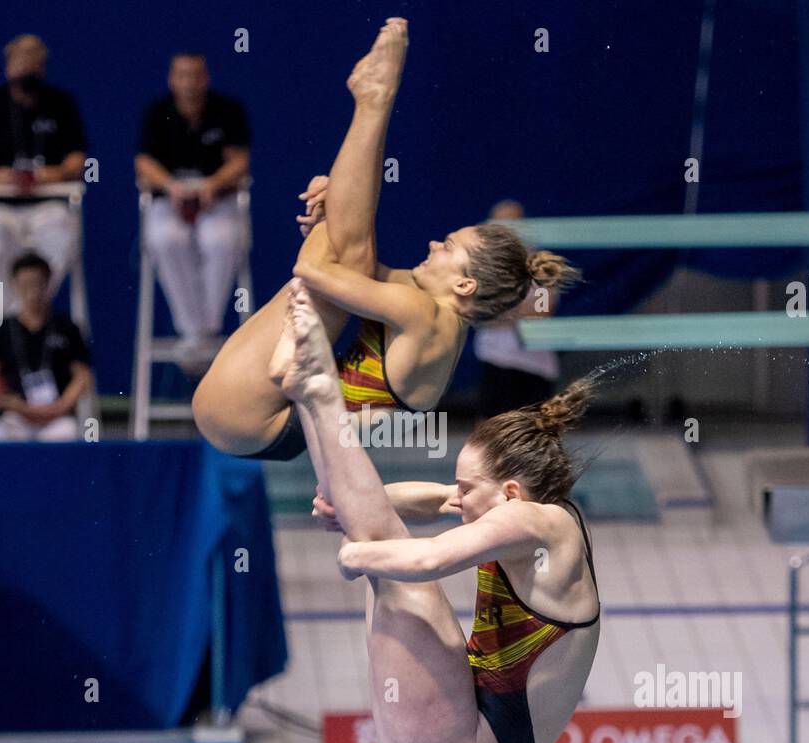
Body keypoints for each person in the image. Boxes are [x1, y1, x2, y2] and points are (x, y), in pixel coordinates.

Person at [274, 278, 601, 743]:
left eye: (469, 490)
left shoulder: (541, 526)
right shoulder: (532, 516)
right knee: (371, 522)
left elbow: (429, 561)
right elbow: (433, 499)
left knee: (390, 557)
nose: (459, 497)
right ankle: (310, 396)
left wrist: (356, 555)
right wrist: (351, 509)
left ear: (513, 493)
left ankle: (319, 391)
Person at [192, 18, 581, 461]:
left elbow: (313, 272)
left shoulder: (421, 313)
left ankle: (375, 101)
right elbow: (353, 254)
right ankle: (374, 101)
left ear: (464, 285)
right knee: (355, 257)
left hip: (250, 417)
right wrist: (333, 202)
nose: (435, 244)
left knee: (345, 262)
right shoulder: (434, 318)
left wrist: (332, 205)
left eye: (449, 247)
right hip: (268, 423)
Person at [135, 53, 251, 375]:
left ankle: (205, 329)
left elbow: (239, 162)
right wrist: (170, 186)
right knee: (166, 239)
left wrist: (213, 184)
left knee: (221, 241)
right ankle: (193, 330)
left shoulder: (227, 110)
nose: (188, 83)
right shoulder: (157, 113)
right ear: (172, 79)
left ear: (206, 78)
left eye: (195, 75)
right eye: (181, 76)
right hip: (170, 198)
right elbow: (143, 164)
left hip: (217, 198)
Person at [0, 35, 87, 315]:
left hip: (48, 205)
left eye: (33, 61)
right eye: (20, 60)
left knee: (62, 238)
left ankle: (27, 316)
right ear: (8, 66)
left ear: (42, 66)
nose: (26, 68)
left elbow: (78, 160)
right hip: (2, 206)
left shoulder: (61, 104)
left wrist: (51, 175)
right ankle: (15, 320)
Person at [0, 253, 92, 441]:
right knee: (0, 433)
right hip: (16, 414)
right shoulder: (2, 329)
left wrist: (60, 407)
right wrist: (18, 406)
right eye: (25, 284)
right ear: (15, 285)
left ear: (48, 283)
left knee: (67, 433)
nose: (32, 291)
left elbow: (83, 376)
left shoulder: (66, 327)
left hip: (57, 415)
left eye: (38, 283)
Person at [473, 200, 564, 418]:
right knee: (491, 427)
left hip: (535, 362)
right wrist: (517, 311)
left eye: (513, 223)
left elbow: (542, 309)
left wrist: (501, 311)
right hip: (495, 358)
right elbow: (477, 311)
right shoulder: (482, 266)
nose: (506, 230)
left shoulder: (542, 266)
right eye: (500, 224)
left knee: (537, 428)